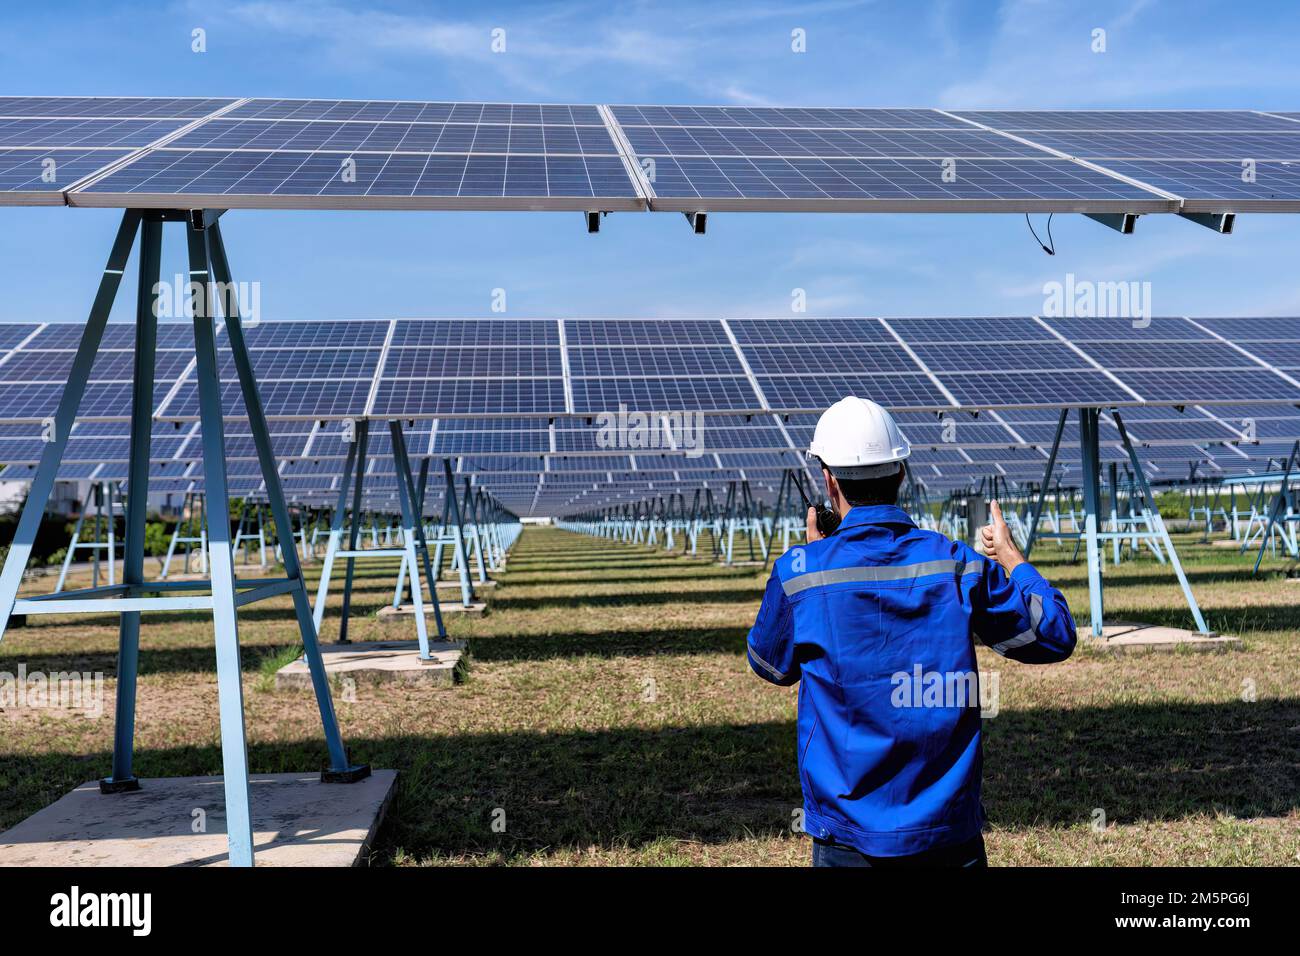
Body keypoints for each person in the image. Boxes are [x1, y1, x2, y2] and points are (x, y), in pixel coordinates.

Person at [746, 396, 1077, 867]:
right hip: (949, 837)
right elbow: (1055, 634)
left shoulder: (799, 574)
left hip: (846, 839)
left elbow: (771, 665)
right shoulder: (958, 564)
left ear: (828, 480)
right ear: (901, 473)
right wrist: (1011, 557)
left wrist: (813, 565)